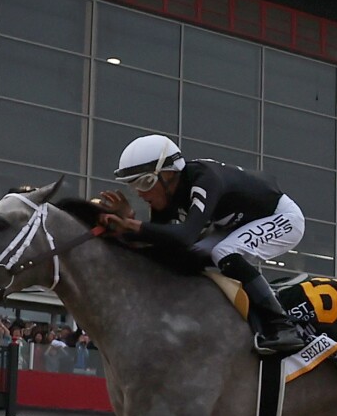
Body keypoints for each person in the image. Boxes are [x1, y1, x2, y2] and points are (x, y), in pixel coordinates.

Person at [99, 134, 308, 357]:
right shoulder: (169, 191)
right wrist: (125, 226)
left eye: (144, 183)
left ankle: (283, 326)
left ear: (168, 174)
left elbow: (185, 235)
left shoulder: (205, 179)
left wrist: (133, 226)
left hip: (282, 217)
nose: (140, 193)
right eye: (134, 186)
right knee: (191, 256)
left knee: (223, 252)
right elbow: (161, 245)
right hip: (236, 224)